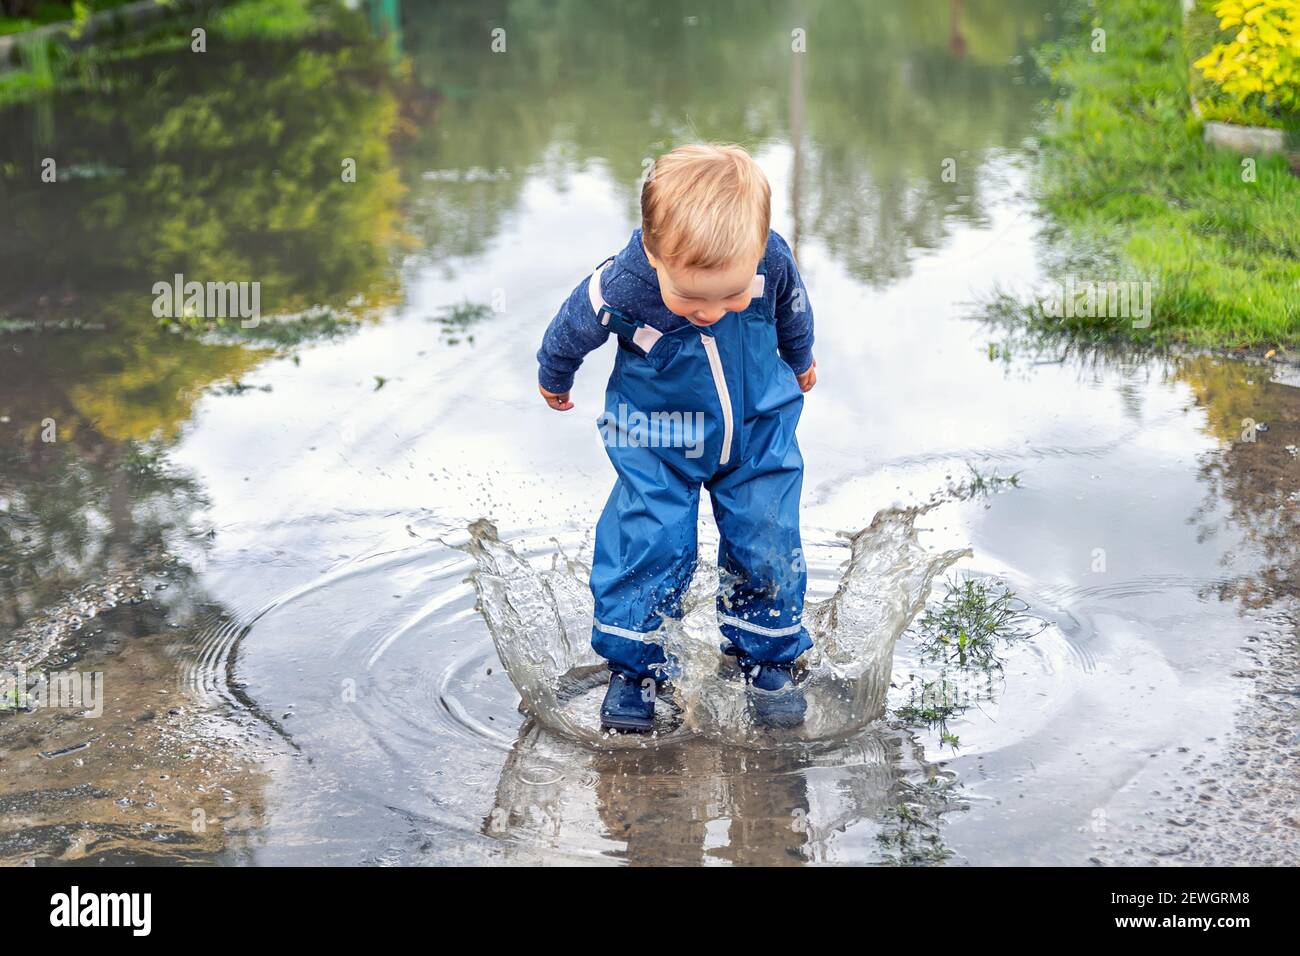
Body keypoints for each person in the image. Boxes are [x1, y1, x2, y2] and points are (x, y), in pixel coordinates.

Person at [536, 143, 817, 731]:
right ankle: (635, 667)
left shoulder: (770, 259)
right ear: (656, 255)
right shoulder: (625, 285)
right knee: (651, 538)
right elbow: (570, 327)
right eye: (690, 297)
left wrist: (801, 358)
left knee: (767, 535)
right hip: (657, 438)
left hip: (758, 429)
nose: (712, 310)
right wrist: (554, 375)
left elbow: (793, 310)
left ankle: (765, 656)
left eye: (731, 295)